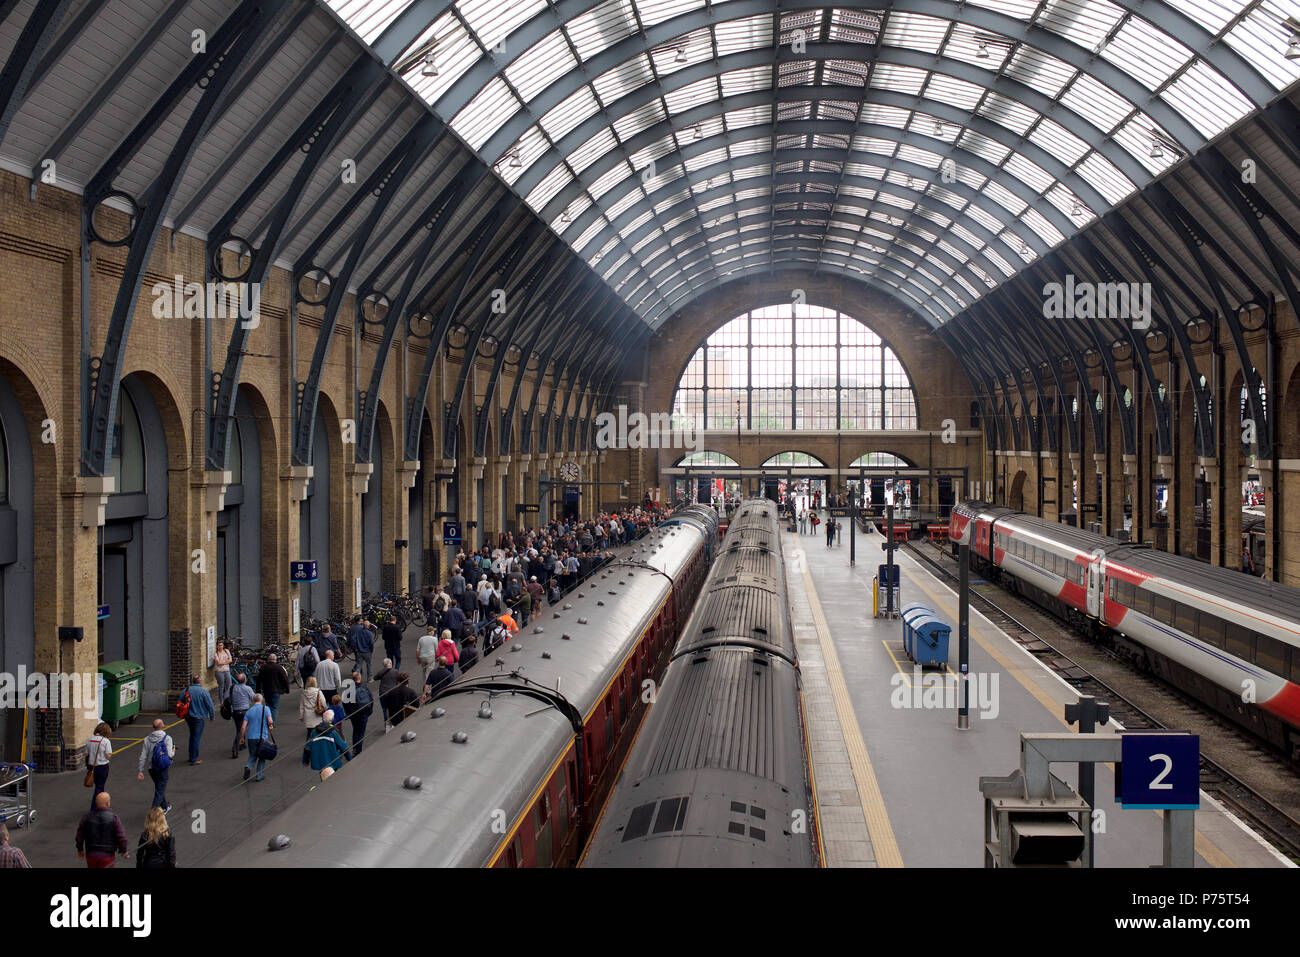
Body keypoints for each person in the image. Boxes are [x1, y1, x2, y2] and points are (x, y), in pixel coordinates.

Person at [76, 792, 128, 868]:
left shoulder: (86, 817)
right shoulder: (114, 818)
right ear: (108, 803)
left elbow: (79, 836)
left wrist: (80, 849)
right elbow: (121, 836)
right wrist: (124, 850)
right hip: (107, 856)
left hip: (91, 855)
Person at [136, 718, 175, 812]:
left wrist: (140, 770)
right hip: (163, 767)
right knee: (160, 790)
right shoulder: (167, 738)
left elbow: (143, 756)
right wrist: (173, 751)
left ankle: (165, 806)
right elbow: (169, 754)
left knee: (159, 787)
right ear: (162, 726)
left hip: (152, 768)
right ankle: (153, 812)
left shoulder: (147, 739)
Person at [303, 711, 350, 776]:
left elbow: (307, 747)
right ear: (332, 719)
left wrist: (305, 761)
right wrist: (349, 758)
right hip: (333, 760)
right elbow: (343, 745)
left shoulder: (314, 732)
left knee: (323, 777)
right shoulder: (334, 731)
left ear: (322, 718)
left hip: (320, 761)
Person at [181, 674, 214, 765]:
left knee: (192, 736)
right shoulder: (203, 691)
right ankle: (194, 758)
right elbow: (210, 705)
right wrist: (212, 716)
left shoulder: (185, 691)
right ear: (200, 681)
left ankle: (191, 755)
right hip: (199, 718)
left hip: (188, 716)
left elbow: (180, 702)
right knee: (196, 738)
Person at [240, 693, 274, 782]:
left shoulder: (249, 711)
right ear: (261, 700)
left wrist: (242, 737)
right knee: (262, 756)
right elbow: (270, 721)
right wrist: (270, 725)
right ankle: (259, 775)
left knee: (253, 755)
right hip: (262, 737)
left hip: (251, 737)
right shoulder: (266, 709)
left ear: (253, 700)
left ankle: (248, 766)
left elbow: (243, 727)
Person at [85, 722, 113, 809]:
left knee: (98, 786)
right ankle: (96, 807)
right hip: (102, 766)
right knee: (100, 787)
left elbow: (86, 754)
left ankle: (99, 805)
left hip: (92, 766)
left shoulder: (89, 739)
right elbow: (108, 755)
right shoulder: (105, 741)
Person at [228, 671, 255, 758]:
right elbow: (253, 699)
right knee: (241, 730)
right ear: (245, 681)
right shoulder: (248, 689)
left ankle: (242, 744)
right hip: (245, 712)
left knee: (239, 728)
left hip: (235, 712)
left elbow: (228, 697)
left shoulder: (233, 688)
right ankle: (235, 748)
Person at [346, 670, 373, 756]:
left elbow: (346, 703)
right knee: (361, 732)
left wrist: (349, 713)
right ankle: (359, 750)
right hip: (364, 713)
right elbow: (371, 699)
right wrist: (369, 712)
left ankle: (355, 748)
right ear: (360, 678)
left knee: (355, 730)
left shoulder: (349, 690)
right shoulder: (365, 687)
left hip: (354, 714)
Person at [258, 653, 290, 721]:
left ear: (268, 659)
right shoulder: (279, 668)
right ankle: (272, 723)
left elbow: (259, 680)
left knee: (268, 706)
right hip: (276, 690)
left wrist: (258, 690)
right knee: (274, 707)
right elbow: (285, 679)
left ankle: (268, 720)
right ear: (275, 660)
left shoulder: (263, 667)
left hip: (266, 690)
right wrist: (287, 689)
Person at [373, 658, 400, 726]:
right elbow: (398, 682)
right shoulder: (395, 672)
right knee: (393, 708)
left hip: (383, 693)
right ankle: (393, 723)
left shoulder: (381, 672)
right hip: (392, 693)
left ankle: (386, 724)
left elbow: (375, 678)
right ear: (390, 664)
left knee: (384, 709)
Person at [213, 639, 233, 704]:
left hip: (227, 670)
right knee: (221, 686)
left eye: (221, 645)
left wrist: (223, 662)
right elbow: (218, 663)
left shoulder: (226, 651)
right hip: (219, 671)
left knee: (229, 685)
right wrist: (226, 661)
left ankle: (227, 699)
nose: (220, 647)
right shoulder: (216, 653)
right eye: (219, 645)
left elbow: (230, 660)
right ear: (217, 646)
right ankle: (221, 701)